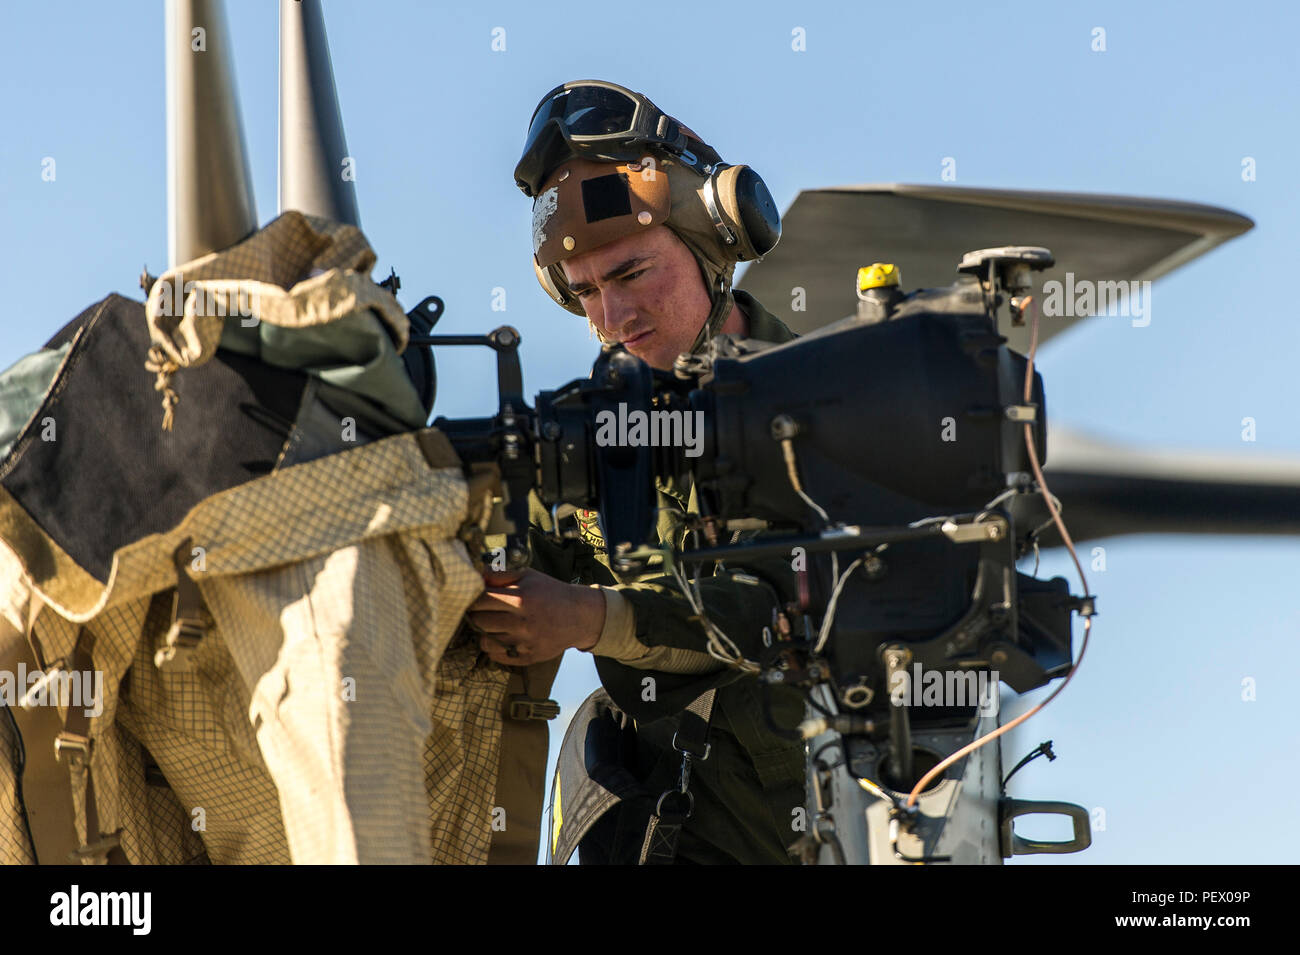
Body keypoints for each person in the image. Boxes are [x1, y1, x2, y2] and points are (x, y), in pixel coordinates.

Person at [467, 81, 807, 864]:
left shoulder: (813, 408)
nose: (610, 319)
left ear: (713, 243)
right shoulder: (587, 430)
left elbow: (765, 612)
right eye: (583, 292)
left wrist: (587, 615)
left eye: (630, 275)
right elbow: (503, 559)